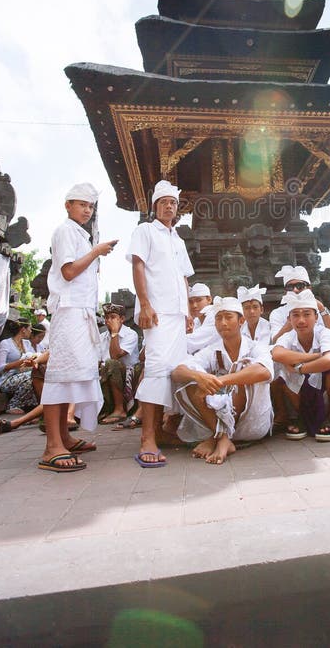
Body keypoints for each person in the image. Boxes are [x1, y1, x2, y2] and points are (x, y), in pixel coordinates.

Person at [39, 182, 118, 472]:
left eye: (91, 206)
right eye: (82, 204)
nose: (87, 210)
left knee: (72, 375)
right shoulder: (64, 231)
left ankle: (64, 437)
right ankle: (51, 447)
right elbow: (69, 272)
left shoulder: (80, 234)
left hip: (81, 313)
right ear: (68, 205)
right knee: (60, 376)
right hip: (68, 311)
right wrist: (97, 251)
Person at [127, 179, 194, 467]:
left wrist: (189, 311)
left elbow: (183, 278)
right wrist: (144, 303)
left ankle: (167, 429)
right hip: (156, 312)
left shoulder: (178, 239)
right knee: (155, 369)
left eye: (174, 203)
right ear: (155, 206)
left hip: (177, 314)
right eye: (164, 202)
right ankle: (147, 438)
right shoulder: (145, 230)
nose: (169, 206)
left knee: (176, 369)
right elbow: (138, 264)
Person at [172, 296, 273, 465]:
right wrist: (200, 377)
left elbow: (264, 371)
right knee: (191, 379)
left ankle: (217, 438)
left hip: (251, 423)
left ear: (241, 321)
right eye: (218, 318)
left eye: (228, 317)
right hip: (217, 422)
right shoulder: (212, 350)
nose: (223, 323)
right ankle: (222, 437)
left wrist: (222, 381)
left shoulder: (255, 346)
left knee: (244, 369)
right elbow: (178, 371)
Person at [271, 289, 330, 441]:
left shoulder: (324, 333)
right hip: (303, 391)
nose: (301, 320)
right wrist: (315, 356)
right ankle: (302, 416)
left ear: (316, 317)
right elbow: (276, 353)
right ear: (289, 319)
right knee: (280, 366)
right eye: (296, 315)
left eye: (307, 314)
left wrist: (300, 368)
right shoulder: (288, 336)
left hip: (327, 390)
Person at [269, 265, 330, 341]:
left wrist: (322, 309)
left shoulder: (319, 310)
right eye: (290, 287)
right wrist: (293, 317)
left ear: (309, 288)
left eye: (300, 286)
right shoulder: (277, 313)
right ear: (285, 291)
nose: (295, 290)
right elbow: (275, 341)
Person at [98, 303, 140, 424]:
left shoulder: (131, 334)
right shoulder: (102, 337)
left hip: (128, 377)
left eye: (113, 317)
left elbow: (115, 356)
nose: (108, 321)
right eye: (106, 317)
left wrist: (115, 332)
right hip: (108, 373)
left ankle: (119, 409)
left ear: (121, 319)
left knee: (112, 363)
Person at [0, 320, 37, 414]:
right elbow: (0, 367)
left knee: (38, 373)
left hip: (24, 373)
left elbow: (34, 356)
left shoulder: (27, 343)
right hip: (5, 379)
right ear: (23, 330)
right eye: (30, 329)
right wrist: (21, 362)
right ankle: (13, 404)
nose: (31, 331)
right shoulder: (5, 344)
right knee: (30, 376)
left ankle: (33, 404)